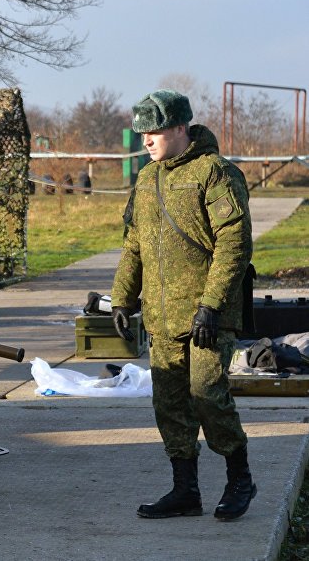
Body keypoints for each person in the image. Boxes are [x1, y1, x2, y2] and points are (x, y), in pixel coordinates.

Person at [111, 89, 255, 521]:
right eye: (142, 134)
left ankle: (239, 478)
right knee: (170, 404)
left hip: (208, 315)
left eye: (154, 132)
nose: (147, 141)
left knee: (207, 393)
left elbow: (234, 242)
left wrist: (211, 304)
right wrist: (121, 297)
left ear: (180, 128)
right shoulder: (146, 178)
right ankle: (185, 491)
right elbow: (134, 243)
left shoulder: (215, 173)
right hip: (162, 315)